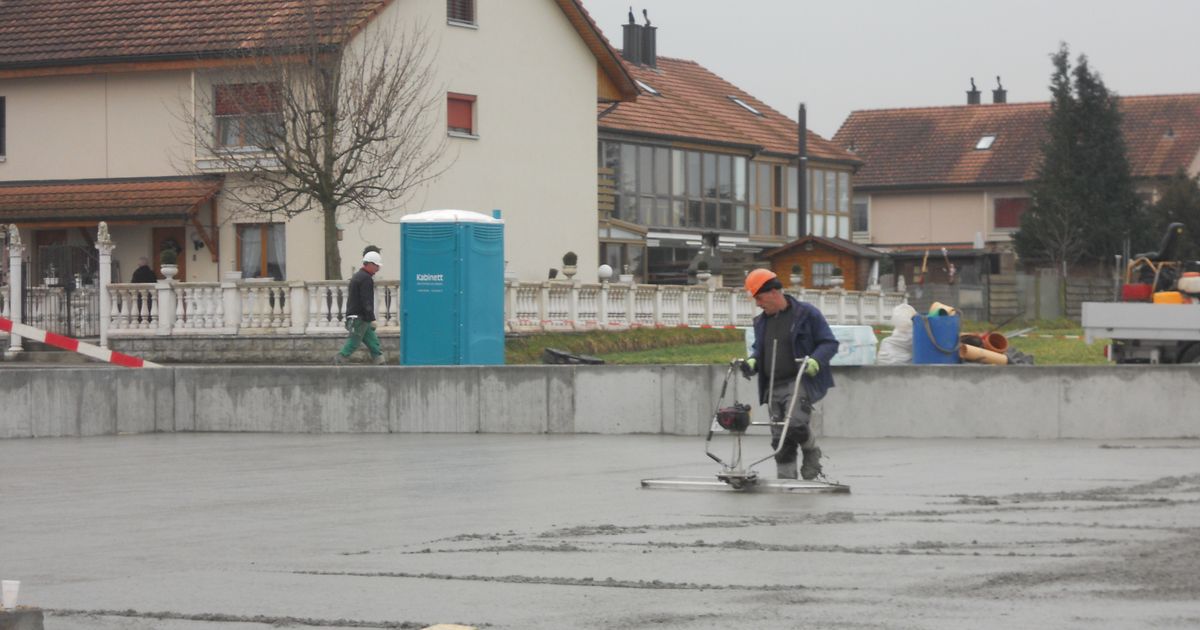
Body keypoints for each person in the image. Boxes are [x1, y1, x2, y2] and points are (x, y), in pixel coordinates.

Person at [739, 268, 839, 480]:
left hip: (798, 380)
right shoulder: (762, 322)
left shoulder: (805, 314)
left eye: (759, 298)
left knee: (795, 425)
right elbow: (760, 348)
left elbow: (829, 343)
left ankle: (811, 451)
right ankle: (787, 483)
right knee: (780, 440)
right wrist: (753, 361)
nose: (758, 304)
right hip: (772, 384)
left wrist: (815, 360)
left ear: (774, 292)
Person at [334, 251, 385, 365]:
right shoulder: (366, 279)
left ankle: (381, 363)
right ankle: (339, 360)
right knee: (354, 341)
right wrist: (372, 318)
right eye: (376, 265)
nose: (378, 268)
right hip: (360, 318)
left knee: (373, 342)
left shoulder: (357, 276)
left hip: (357, 317)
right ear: (370, 264)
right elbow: (366, 301)